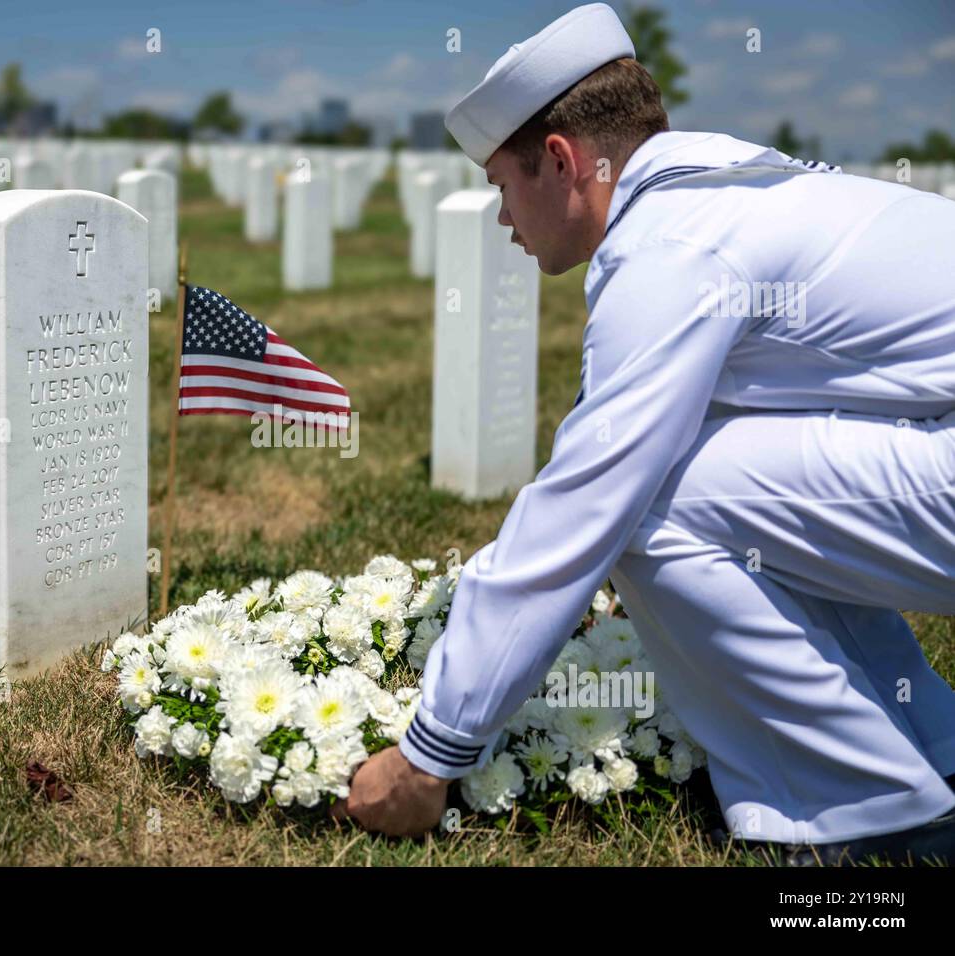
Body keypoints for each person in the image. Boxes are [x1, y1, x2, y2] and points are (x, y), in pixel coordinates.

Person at [331, 2, 955, 863]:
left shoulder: (675, 245)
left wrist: (429, 753)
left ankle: (868, 823)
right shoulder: (728, 192)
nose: (503, 218)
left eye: (501, 186)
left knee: (657, 495)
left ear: (559, 160)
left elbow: (590, 498)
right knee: (713, 475)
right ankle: (930, 753)